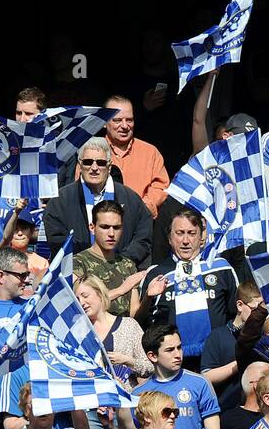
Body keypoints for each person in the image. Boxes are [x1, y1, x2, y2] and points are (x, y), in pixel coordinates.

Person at [136, 208, 237, 362]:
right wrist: (148, 299)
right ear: (169, 238)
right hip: (172, 364)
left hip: (219, 359)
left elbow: (236, 313)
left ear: (201, 237)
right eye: (180, 233)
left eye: (191, 233)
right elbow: (140, 324)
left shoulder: (221, 267)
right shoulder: (155, 274)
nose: (185, 240)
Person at [42, 137, 152, 264]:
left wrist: (122, 263)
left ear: (109, 166)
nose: (94, 168)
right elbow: (57, 240)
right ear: (79, 165)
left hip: (123, 272)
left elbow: (143, 237)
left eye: (100, 163)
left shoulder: (131, 199)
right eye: (88, 162)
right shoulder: (59, 200)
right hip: (78, 274)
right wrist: (88, 263)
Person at [72, 201, 142, 318]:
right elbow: (79, 305)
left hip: (123, 332)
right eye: (104, 227)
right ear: (92, 228)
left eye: (116, 227)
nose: (111, 233)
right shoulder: (77, 263)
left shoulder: (128, 265)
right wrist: (121, 290)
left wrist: (149, 297)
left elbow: (134, 315)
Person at [103, 95, 169, 219]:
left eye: (129, 120)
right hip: (102, 225)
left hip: (141, 224)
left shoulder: (150, 152)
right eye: (117, 120)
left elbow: (161, 186)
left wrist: (142, 208)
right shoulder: (92, 151)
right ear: (104, 123)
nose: (124, 126)